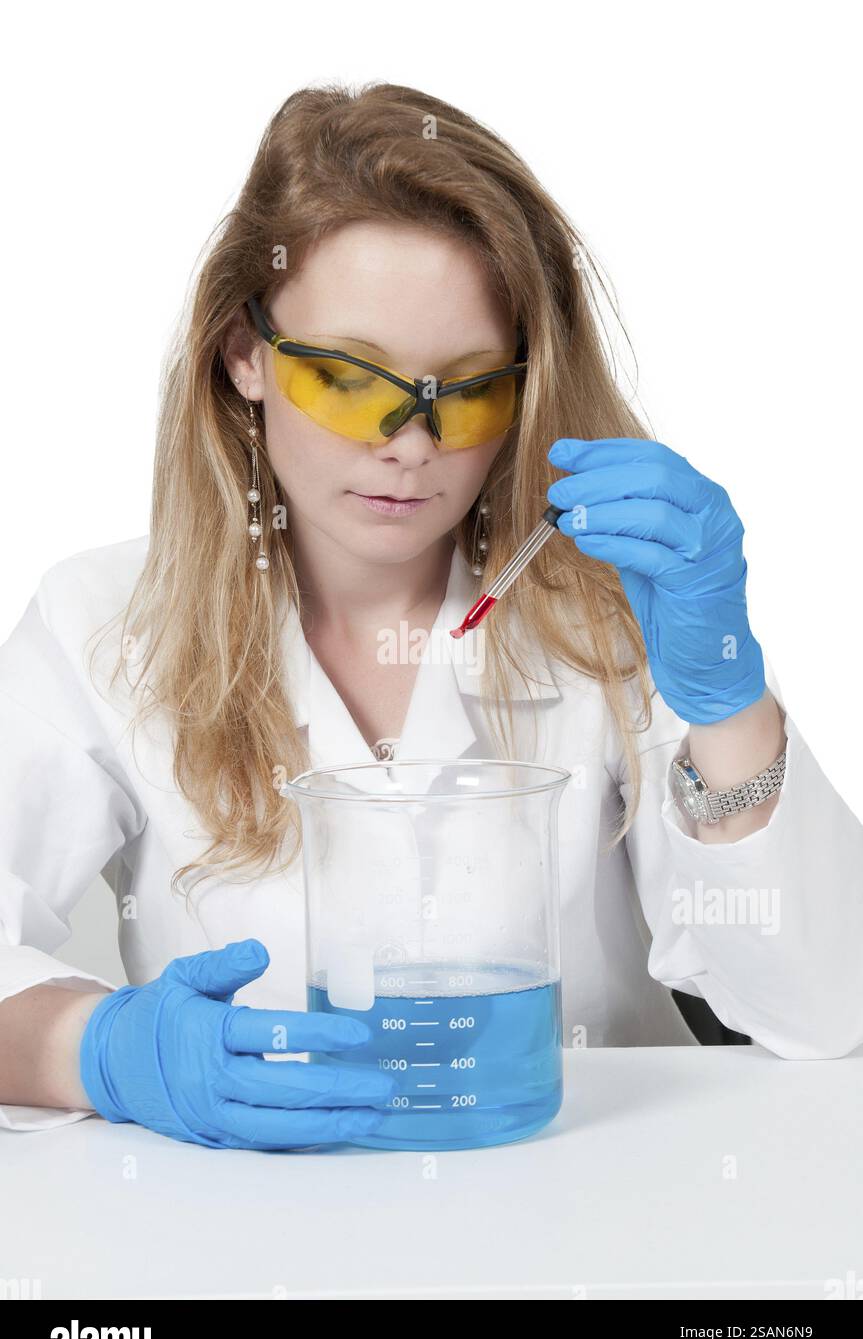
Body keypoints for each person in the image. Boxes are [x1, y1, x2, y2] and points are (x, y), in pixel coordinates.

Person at [1, 82, 861, 1152]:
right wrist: (96, 1051)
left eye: (463, 389)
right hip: (255, 1226)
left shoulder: (607, 614)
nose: (410, 443)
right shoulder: (102, 623)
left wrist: (724, 695)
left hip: (595, 1209)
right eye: (354, 382)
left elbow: (823, 1011)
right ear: (244, 353)